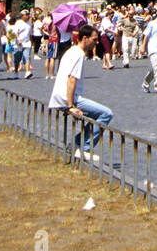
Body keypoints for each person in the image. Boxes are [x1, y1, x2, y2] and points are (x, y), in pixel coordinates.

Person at [48, 22, 113, 158]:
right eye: (94, 40)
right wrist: (71, 106)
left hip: (60, 95)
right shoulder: (78, 55)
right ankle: (83, 147)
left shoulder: (71, 51)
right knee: (106, 114)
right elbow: (72, 79)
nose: (96, 43)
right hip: (69, 98)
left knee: (95, 115)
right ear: (85, 38)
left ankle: (78, 144)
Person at [140, 8, 157, 94]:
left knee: (156, 68)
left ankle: (145, 83)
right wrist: (143, 47)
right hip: (152, 48)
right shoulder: (152, 24)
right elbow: (146, 35)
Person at [14, 11, 33, 78]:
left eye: (28, 15)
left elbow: (30, 33)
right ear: (22, 16)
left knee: (26, 57)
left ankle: (27, 72)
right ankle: (16, 72)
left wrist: (31, 41)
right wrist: (18, 39)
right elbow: (15, 32)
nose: (27, 16)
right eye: (26, 15)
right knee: (17, 59)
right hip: (19, 44)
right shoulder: (18, 23)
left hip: (27, 43)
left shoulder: (29, 23)